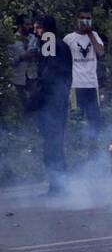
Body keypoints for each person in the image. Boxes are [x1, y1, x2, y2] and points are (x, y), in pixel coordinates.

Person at [28, 15, 72, 195]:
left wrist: (35, 98)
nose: (35, 32)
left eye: (38, 28)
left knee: (52, 145)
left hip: (51, 102)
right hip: (58, 100)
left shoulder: (49, 41)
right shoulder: (61, 44)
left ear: (47, 29)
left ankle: (58, 187)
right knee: (54, 143)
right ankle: (58, 186)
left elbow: (48, 74)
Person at [63, 8, 105, 146]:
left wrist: (90, 35)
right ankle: (76, 146)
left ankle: (93, 147)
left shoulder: (95, 36)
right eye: (83, 18)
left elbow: (100, 52)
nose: (85, 21)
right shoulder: (69, 39)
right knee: (77, 117)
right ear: (77, 19)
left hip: (92, 84)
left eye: (88, 18)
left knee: (95, 119)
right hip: (76, 84)